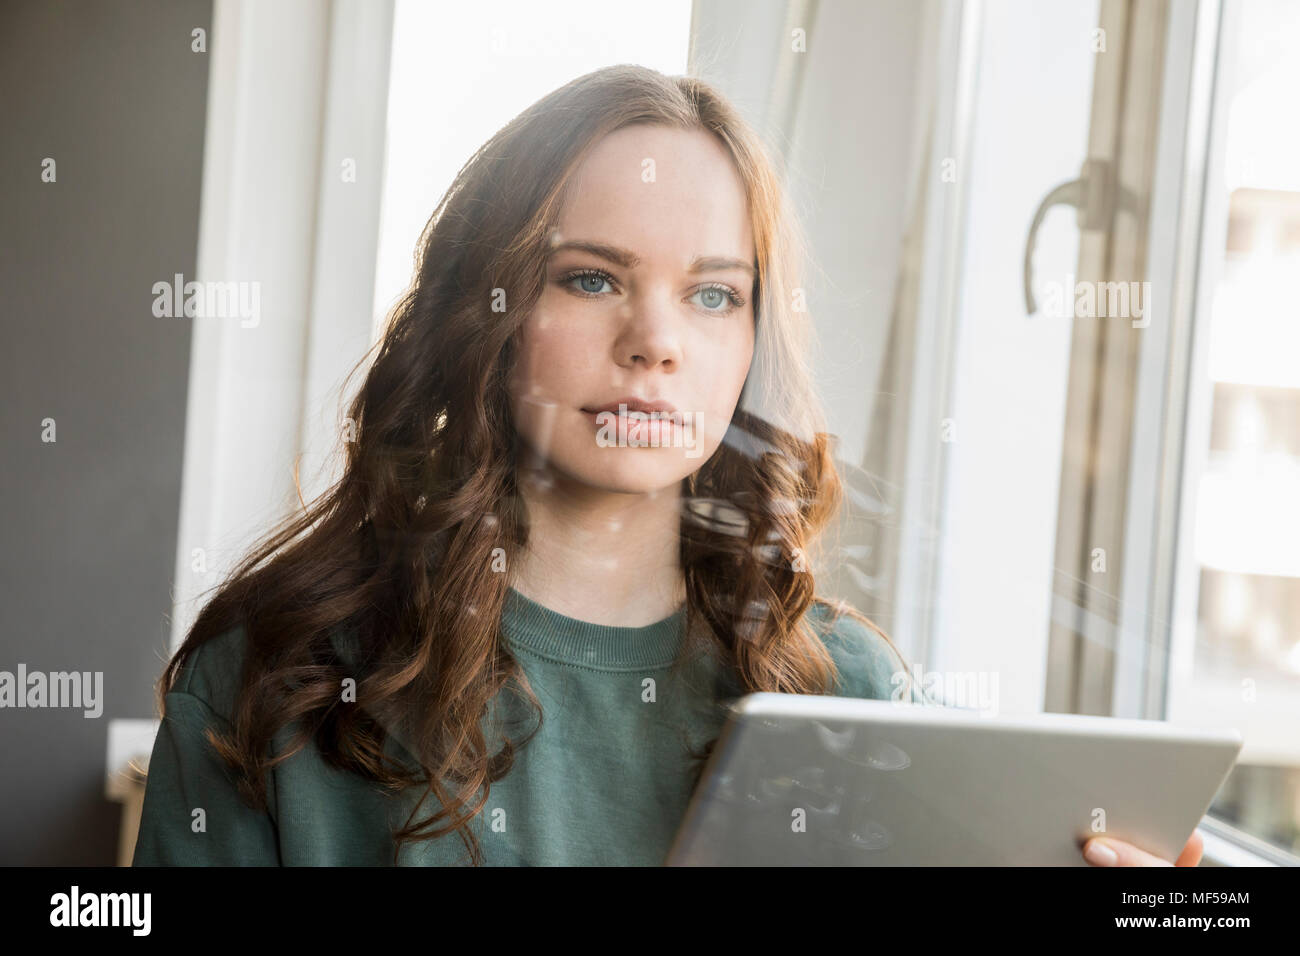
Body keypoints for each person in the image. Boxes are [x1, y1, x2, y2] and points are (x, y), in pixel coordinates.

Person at [132, 63, 1199, 868]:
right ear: (488, 313)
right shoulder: (276, 676)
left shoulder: (850, 694)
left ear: (750, 346)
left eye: (713, 293)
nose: (656, 340)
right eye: (591, 279)